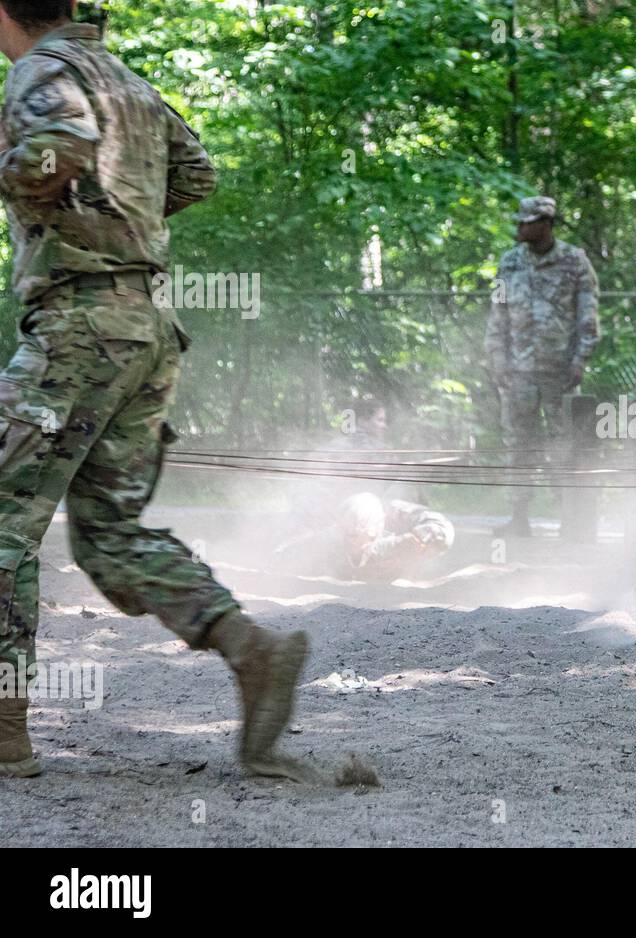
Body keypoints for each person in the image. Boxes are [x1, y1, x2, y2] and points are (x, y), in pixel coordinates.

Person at [0, 2, 307, 780]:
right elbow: (196, 171)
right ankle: (253, 650)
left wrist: (41, 191)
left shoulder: (41, 70)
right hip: (147, 331)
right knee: (108, 535)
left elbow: (59, 147)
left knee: (3, 523)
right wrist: (118, 215)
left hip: (76, 326)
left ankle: (4, 732)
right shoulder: (126, 79)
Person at [485, 195, 599, 537]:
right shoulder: (510, 264)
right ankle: (519, 519)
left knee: (563, 446)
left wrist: (580, 359)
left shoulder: (574, 262)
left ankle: (569, 522)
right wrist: (497, 360)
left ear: (546, 224)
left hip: (559, 375)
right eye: (519, 220)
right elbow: (498, 315)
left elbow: (587, 316)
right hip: (519, 374)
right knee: (518, 445)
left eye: (527, 221)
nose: (520, 227)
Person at [272, 493, 455, 582]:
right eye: (348, 534)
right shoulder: (335, 533)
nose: (351, 539)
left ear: (377, 527)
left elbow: (443, 531)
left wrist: (394, 545)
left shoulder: (398, 514)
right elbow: (285, 555)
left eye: (358, 534)